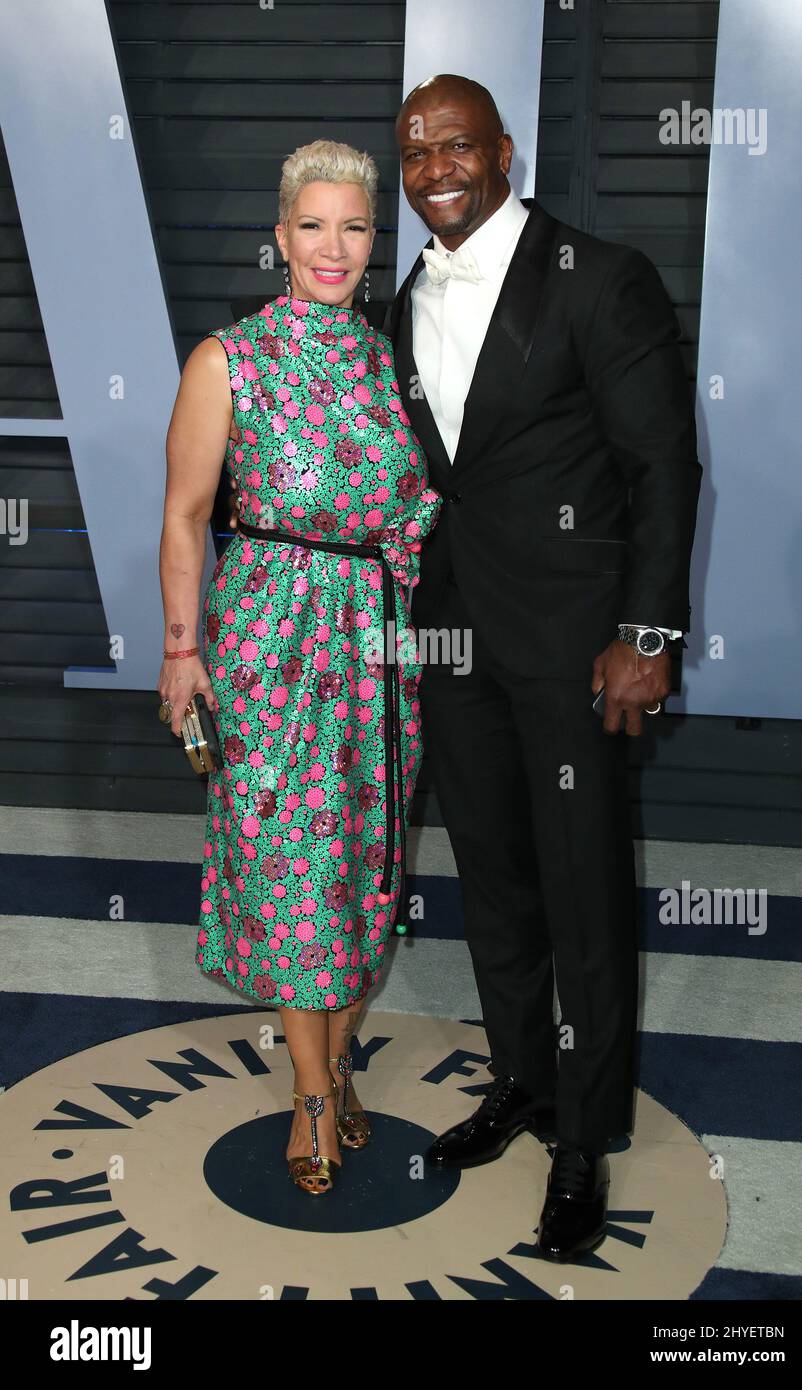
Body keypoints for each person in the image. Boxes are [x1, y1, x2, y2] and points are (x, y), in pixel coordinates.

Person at [388, 75, 702, 1260]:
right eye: (415, 153)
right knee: (495, 872)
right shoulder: (404, 294)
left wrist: (650, 634)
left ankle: (585, 1130)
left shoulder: (599, 276)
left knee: (579, 887)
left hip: (579, 644)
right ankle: (519, 1077)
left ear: (504, 151)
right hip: (452, 634)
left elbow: (664, 467)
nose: (436, 168)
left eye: (456, 145)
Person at [158, 139, 442, 1196]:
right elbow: (186, 518)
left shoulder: (386, 364)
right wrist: (182, 650)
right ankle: (314, 1095)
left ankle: (333, 1058)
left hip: (375, 642)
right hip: (266, 643)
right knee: (289, 866)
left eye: (355, 226)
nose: (333, 246)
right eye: (312, 225)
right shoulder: (227, 361)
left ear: (376, 242)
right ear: (280, 239)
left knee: (365, 866)